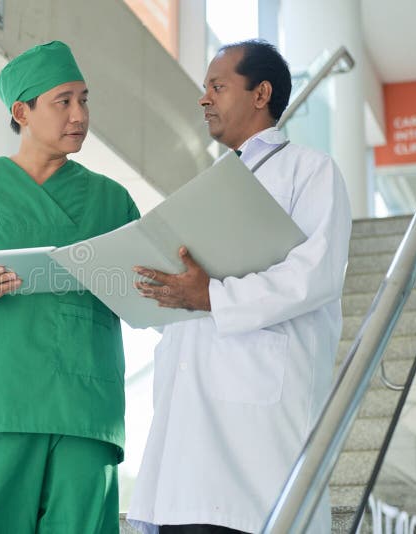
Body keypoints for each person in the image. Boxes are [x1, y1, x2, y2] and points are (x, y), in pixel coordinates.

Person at [0, 41, 139, 533]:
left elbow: (144, 290)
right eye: (64, 101)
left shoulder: (113, 200)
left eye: (84, 99)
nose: (80, 114)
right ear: (22, 112)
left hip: (84, 404)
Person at [127, 40, 351, 534]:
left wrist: (212, 296)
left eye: (217, 86)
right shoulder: (210, 184)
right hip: (184, 450)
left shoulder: (309, 171)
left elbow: (314, 275)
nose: (203, 99)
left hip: (254, 451)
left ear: (260, 93)